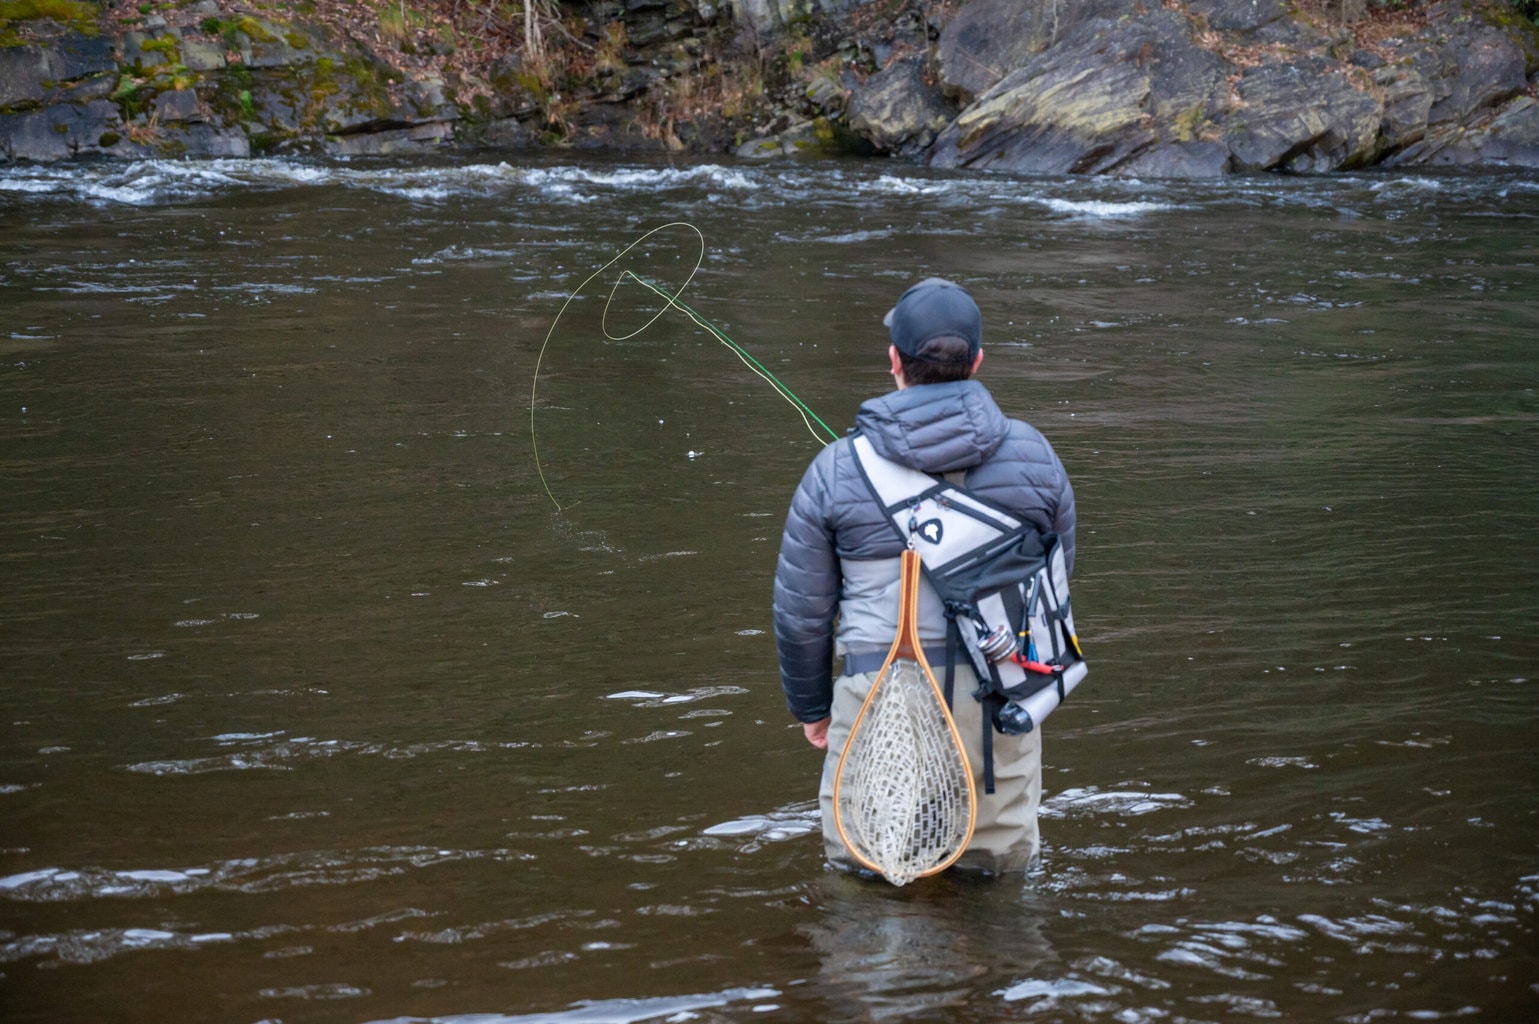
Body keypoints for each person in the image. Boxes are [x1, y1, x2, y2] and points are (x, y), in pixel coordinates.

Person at [772, 278, 1076, 875]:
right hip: (1000, 706)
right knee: (1000, 893)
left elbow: (801, 613)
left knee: (865, 884)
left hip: (875, 706)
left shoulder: (835, 471)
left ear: (894, 362)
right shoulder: (1037, 459)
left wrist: (812, 709)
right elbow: (1056, 593)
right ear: (979, 363)